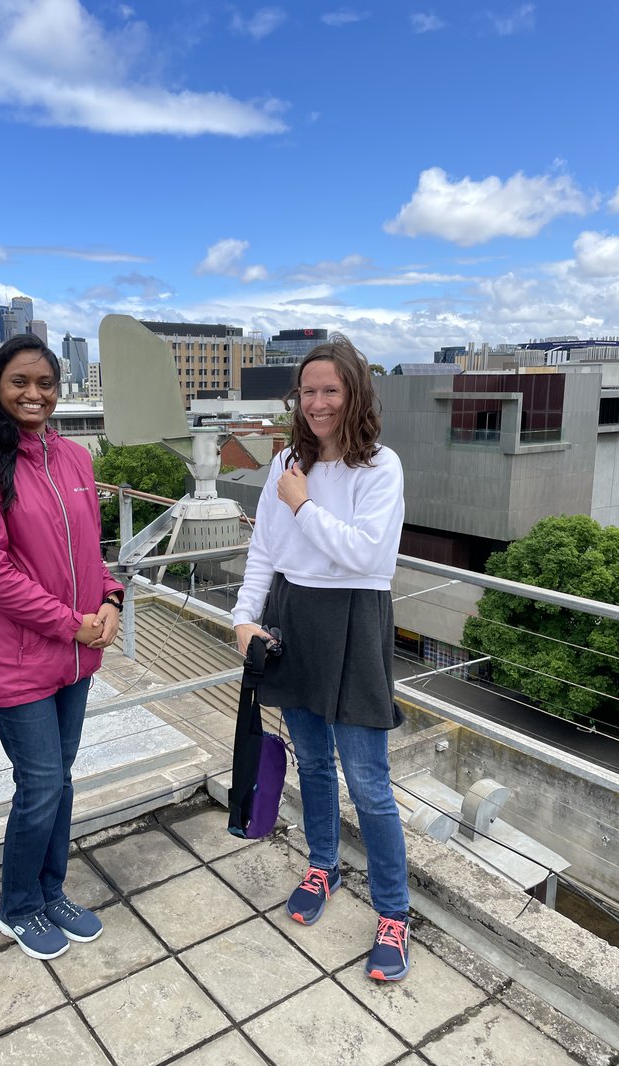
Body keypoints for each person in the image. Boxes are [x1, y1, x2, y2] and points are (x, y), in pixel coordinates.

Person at [232, 334, 410, 981]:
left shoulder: (379, 468)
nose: (316, 402)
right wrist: (243, 617)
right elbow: (265, 554)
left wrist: (302, 503)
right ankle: (323, 865)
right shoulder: (285, 462)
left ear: (354, 392)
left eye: (329, 389)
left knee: (370, 783)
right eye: (308, 391)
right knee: (311, 760)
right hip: (292, 616)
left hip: (356, 621)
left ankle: (393, 913)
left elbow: (366, 557)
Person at [0, 333, 124, 961]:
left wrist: (110, 600)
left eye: (45, 383)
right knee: (43, 780)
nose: (34, 394)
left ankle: (51, 891)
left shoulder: (76, 458)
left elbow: (93, 552)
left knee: (60, 781)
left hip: (74, 655)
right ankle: (17, 905)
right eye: (20, 381)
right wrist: (69, 623)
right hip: (16, 656)